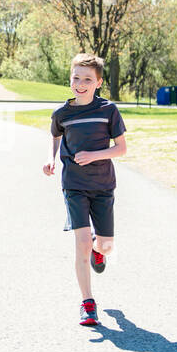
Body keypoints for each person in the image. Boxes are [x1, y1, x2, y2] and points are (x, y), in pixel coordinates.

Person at [42, 53, 127, 327]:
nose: (80, 84)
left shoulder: (108, 111)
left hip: (103, 185)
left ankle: (99, 250)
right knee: (80, 244)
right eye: (76, 78)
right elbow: (55, 136)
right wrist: (51, 158)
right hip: (74, 185)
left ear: (98, 82)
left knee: (106, 245)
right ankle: (88, 303)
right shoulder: (62, 113)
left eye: (87, 79)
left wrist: (94, 155)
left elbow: (121, 148)